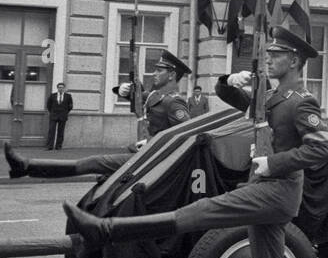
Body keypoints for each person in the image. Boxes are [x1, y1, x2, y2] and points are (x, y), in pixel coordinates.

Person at [62, 26, 328, 258]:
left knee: (203, 211)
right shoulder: (273, 98)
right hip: (265, 185)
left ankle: (106, 230)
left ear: (295, 60)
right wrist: (227, 81)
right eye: (267, 54)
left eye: (275, 55)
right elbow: (234, 100)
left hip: (277, 190)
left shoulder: (301, 101)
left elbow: (322, 149)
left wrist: (274, 164)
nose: (268, 59)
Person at [6, 51, 191, 180]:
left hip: (156, 158)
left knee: (95, 162)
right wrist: (123, 89)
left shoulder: (175, 102)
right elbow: (134, 95)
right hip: (148, 152)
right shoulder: (155, 96)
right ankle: (27, 167)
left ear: (172, 75)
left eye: (160, 70)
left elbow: (186, 136)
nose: (154, 73)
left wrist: (152, 143)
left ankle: (28, 167)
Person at [45, 82, 73, 150]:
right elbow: (48, 105)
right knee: (51, 131)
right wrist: (52, 112)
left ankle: (58, 146)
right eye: (59, 87)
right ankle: (50, 146)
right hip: (53, 115)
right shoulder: (52, 95)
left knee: (61, 131)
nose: (61, 89)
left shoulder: (68, 96)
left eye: (62, 87)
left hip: (63, 116)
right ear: (57, 88)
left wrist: (65, 112)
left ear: (64, 88)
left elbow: (70, 106)